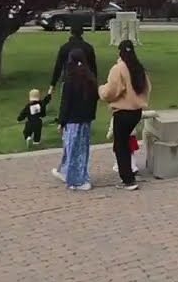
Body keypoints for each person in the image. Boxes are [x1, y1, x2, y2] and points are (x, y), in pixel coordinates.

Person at [99, 39, 151, 191]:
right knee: (125, 143)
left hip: (122, 112)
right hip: (136, 112)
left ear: (119, 52)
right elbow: (147, 87)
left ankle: (128, 179)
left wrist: (101, 90)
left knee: (120, 145)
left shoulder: (119, 69)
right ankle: (130, 173)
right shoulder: (139, 68)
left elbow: (110, 92)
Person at [53, 48, 96, 191]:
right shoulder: (90, 79)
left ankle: (75, 180)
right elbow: (93, 100)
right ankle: (73, 174)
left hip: (72, 120)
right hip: (85, 120)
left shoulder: (69, 81)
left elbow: (66, 103)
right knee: (82, 150)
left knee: (71, 149)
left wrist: (61, 121)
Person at [48, 24, 97, 96]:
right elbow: (93, 67)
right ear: (82, 33)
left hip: (68, 81)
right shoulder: (88, 47)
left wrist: (53, 84)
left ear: (70, 32)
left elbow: (58, 66)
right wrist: (94, 82)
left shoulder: (65, 47)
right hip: (85, 81)